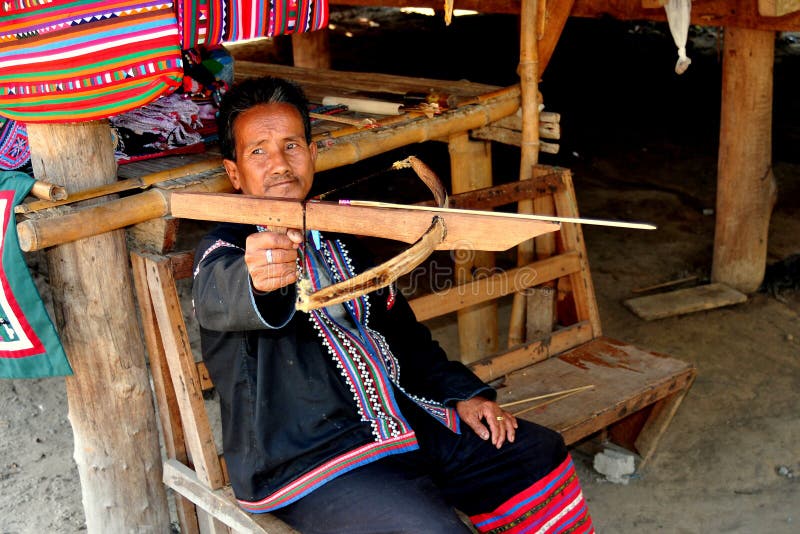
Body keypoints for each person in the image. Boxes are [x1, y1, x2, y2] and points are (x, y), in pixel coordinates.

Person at [193, 76, 594, 534]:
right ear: (234, 172)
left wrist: (461, 393)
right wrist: (260, 278)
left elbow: (403, 334)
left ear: (313, 154)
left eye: (292, 146)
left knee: (534, 456)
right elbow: (220, 296)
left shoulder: (336, 234)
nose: (279, 164)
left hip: (401, 420)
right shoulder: (221, 252)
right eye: (258, 151)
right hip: (313, 462)